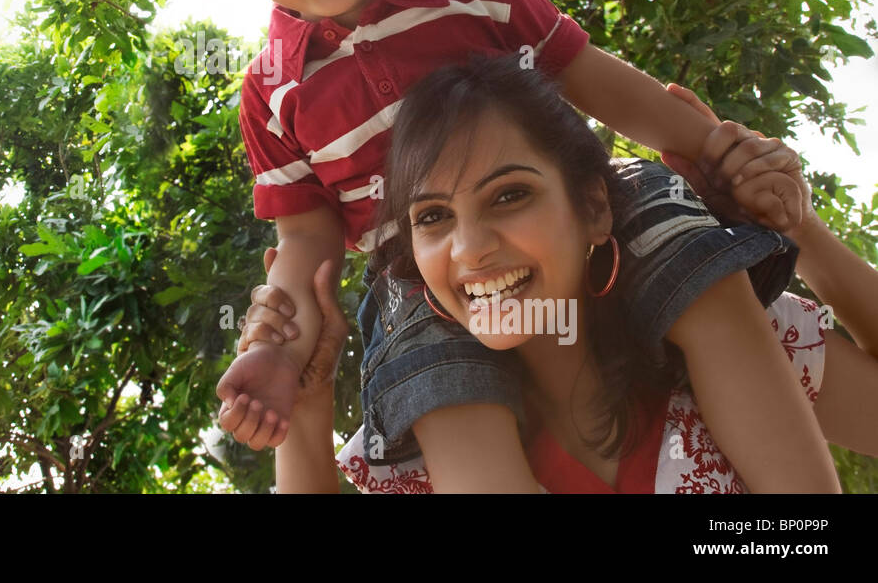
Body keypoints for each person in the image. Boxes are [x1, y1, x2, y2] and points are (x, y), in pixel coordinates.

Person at [194, 0, 837, 491]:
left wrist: (723, 152)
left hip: (586, 208)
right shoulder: (271, 93)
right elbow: (306, 246)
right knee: (441, 399)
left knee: (699, 273)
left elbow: (603, 85)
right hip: (415, 278)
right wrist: (276, 350)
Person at [232, 57, 878, 492]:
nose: (471, 248)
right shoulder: (431, 440)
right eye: (432, 217)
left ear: (594, 207)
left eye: (509, 195)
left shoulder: (740, 339)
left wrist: (798, 228)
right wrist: (310, 403)